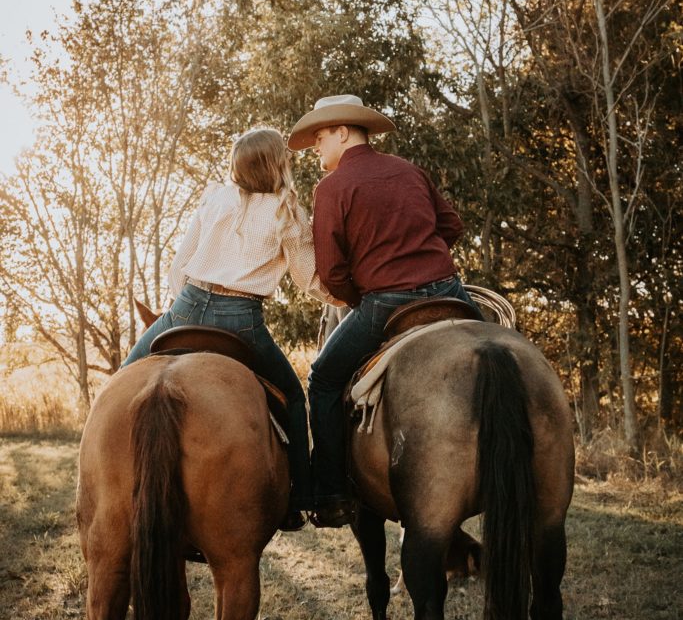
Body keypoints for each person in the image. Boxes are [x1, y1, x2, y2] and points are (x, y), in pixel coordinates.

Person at [123, 126, 339, 530]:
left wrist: (185, 307)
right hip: (242, 320)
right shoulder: (286, 210)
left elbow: (180, 264)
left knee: (122, 381)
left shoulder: (215, 197)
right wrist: (345, 298)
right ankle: (301, 499)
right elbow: (309, 279)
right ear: (276, 165)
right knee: (294, 398)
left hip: (187, 307)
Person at [287, 94, 483, 528]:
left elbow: (331, 271)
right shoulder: (409, 170)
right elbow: (451, 225)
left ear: (342, 132)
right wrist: (422, 259)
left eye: (320, 137)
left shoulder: (331, 188)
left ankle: (332, 493)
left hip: (385, 302)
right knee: (500, 351)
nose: (316, 147)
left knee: (322, 380)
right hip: (447, 290)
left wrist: (362, 296)